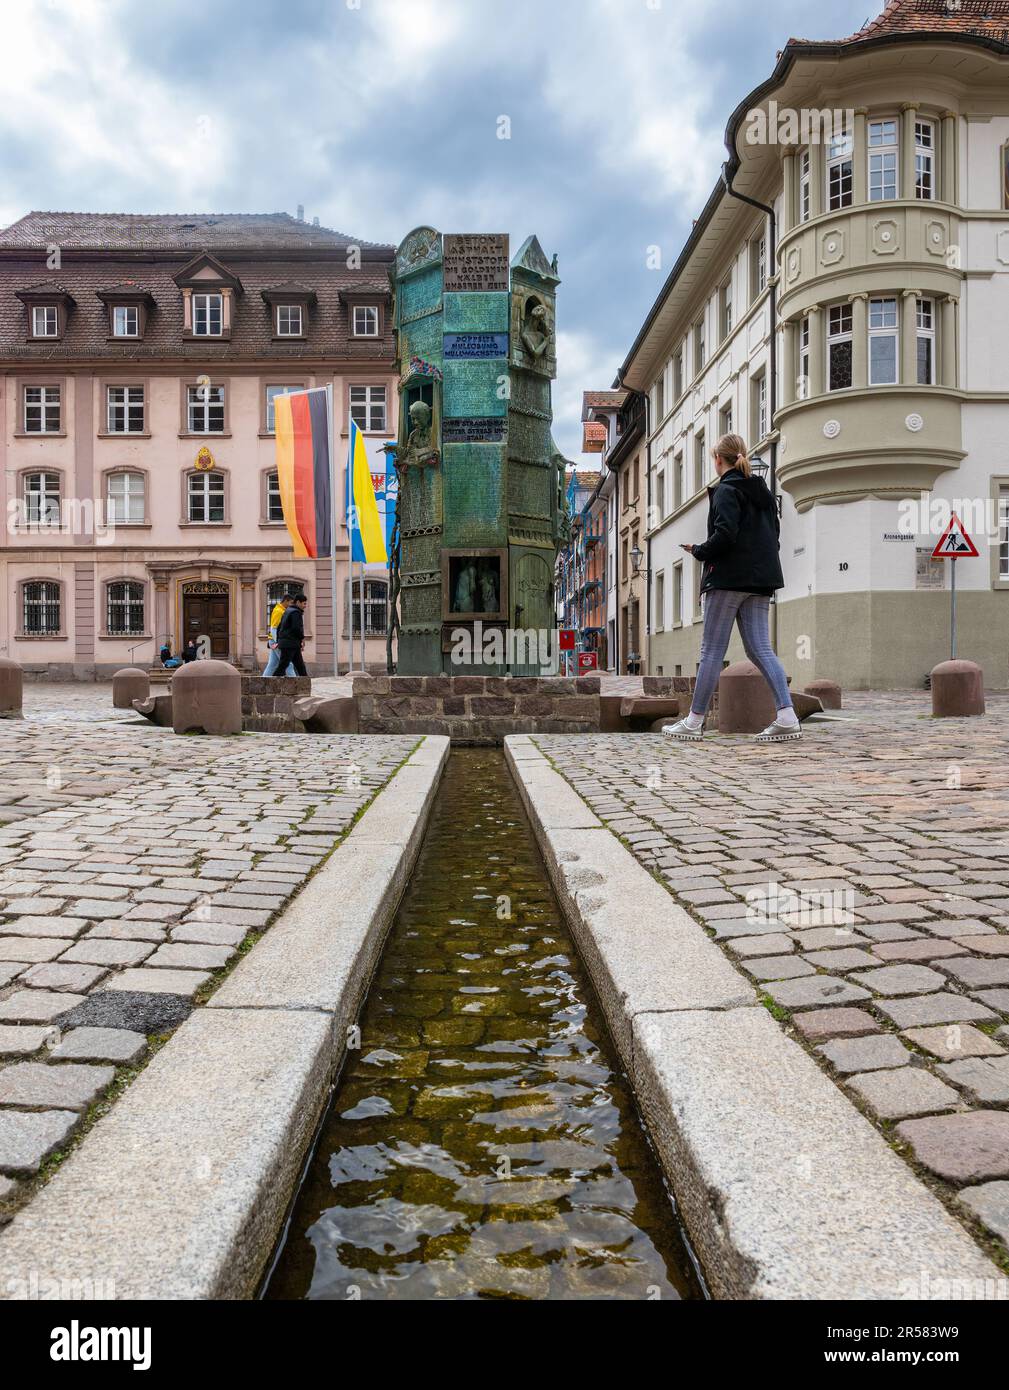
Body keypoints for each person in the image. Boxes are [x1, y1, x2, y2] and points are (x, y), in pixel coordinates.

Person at [664, 433, 799, 744]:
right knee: (760, 649)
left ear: (718, 460)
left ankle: (694, 721)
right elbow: (773, 538)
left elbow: (726, 534)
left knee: (712, 650)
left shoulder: (726, 489)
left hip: (727, 579)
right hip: (760, 580)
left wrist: (699, 550)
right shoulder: (763, 494)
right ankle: (787, 716)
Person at [274, 592, 309, 677]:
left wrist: (279, 640)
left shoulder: (287, 611)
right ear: (298, 602)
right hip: (290, 643)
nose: (305, 606)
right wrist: (302, 638)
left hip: (290, 643)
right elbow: (296, 628)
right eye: (304, 603)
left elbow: (279, 627)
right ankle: (271, 683)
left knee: (300, 665)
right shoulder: (295, 613)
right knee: (282, 666)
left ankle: (305, 684)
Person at [263, 592, 297, 676]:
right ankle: (295, 684)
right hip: (276, 642)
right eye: (291, 603)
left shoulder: (281, 610)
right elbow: (274, 628)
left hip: (274, 641)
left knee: (272, 665)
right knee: (288, 663)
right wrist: (278, 642)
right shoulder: (279, 611)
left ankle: (263, 682)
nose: (292, 605)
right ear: (286, 601)